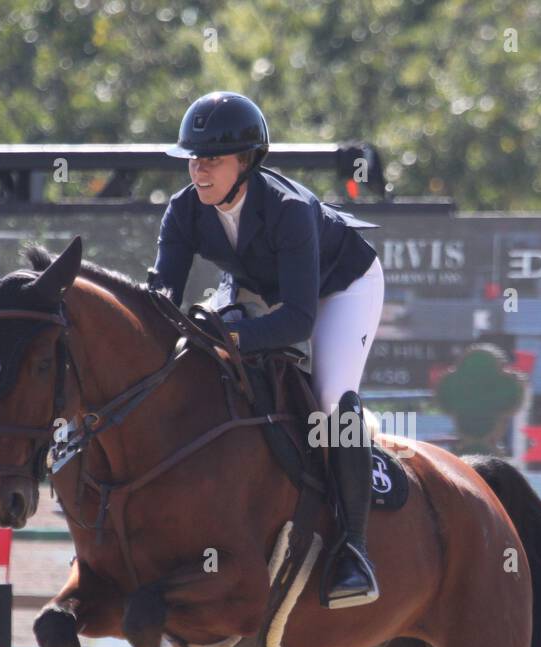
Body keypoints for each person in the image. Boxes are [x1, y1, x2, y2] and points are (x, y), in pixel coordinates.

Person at [151, 91, 385, 609]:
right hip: (258, 284)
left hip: (340, 287)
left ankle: (354, 549)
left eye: (211, 159)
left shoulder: (289, 210)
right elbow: (163, 299)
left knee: (331, 398)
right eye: (193, 158)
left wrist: (229, 339)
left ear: (247, 161)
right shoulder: (183, 211)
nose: (198, 171)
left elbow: (299, 320)